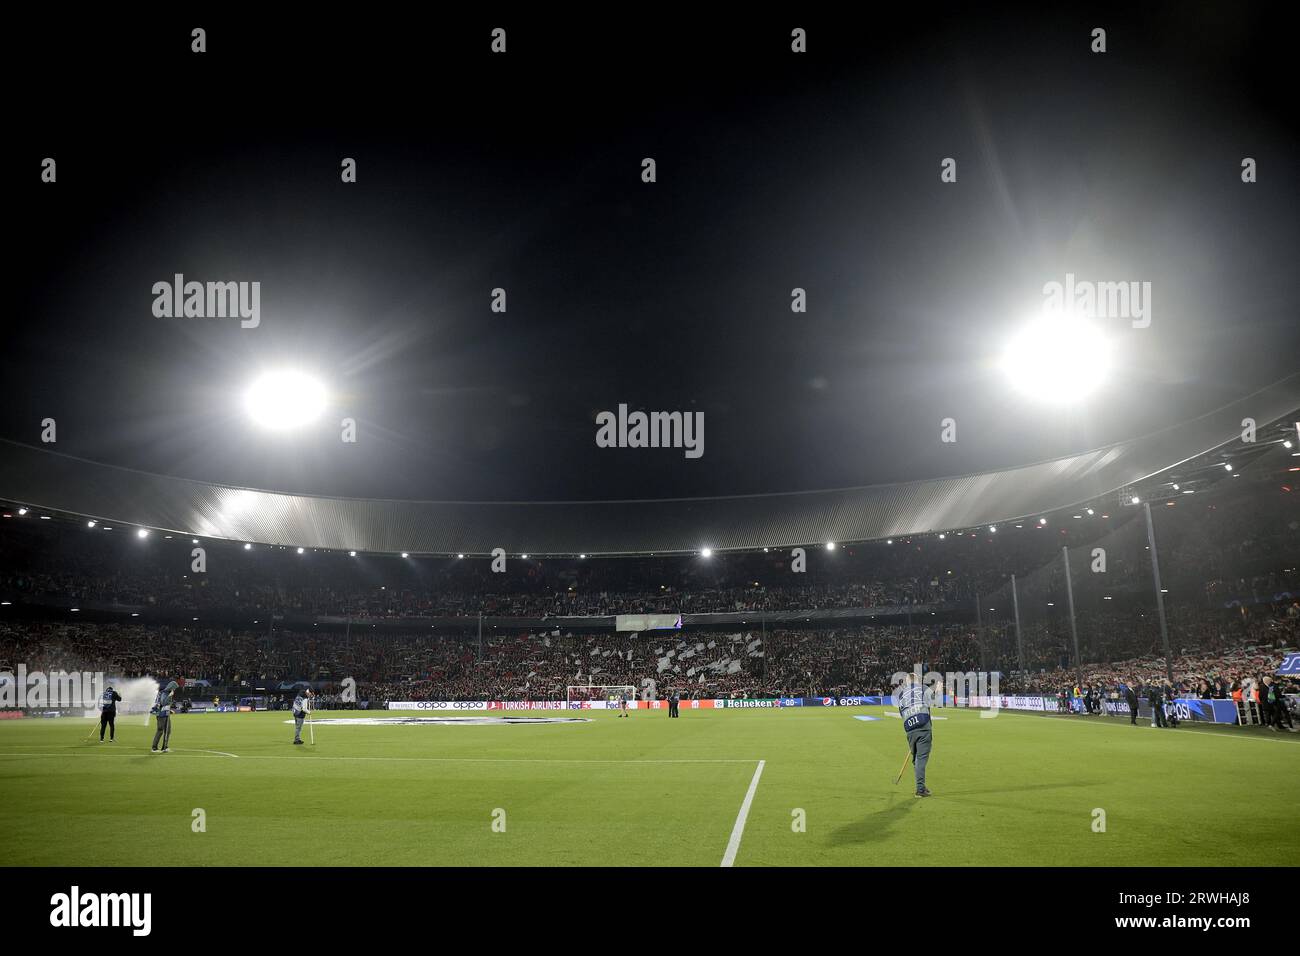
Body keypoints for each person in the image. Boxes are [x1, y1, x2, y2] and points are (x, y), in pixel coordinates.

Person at [896, 673, 933, 797]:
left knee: (917, 759)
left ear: (907, 682)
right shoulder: (923, 688)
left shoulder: (901, 694)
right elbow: (931, 702)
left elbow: (901, 712)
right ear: (917, 680)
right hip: (923, 726)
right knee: (921, 759)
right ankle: (920, 789)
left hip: (909, 728)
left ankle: (921, 785)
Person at [150, 679, 182, 753]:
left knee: (165, 731)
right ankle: (157, 748)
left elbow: (164, 704)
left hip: (164, 714)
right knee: (162, 731)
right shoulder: (165, 693)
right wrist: (170, 695)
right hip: (162, 715)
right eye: (174, 688)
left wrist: (170, 710)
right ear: (171, 687)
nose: (174, 689)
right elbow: (163, 702)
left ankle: (163, 747)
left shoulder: (165, 692)